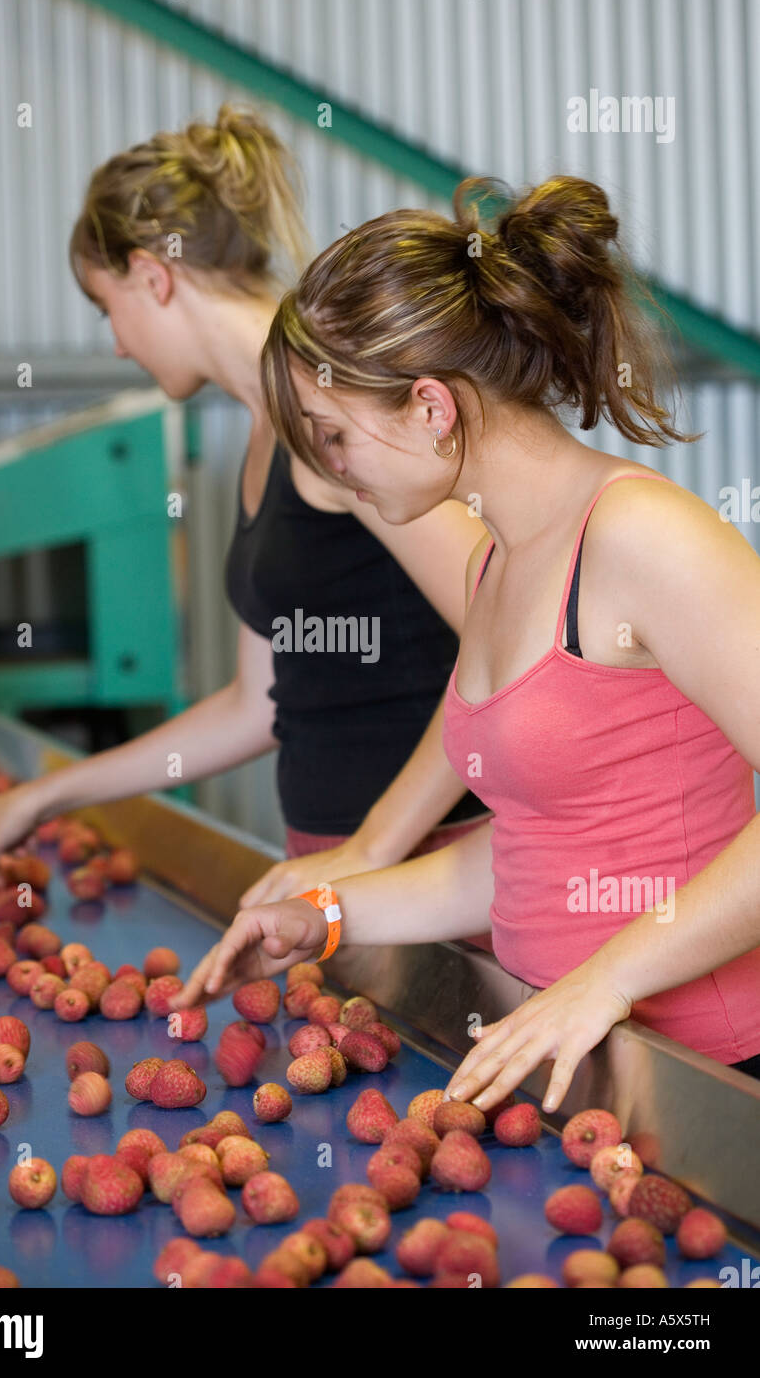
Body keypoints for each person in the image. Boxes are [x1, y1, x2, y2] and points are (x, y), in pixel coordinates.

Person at [175, 175, 760, 1107]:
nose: (328, 470)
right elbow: (532, 848)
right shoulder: (498, 563)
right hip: (569, 1069)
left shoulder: (642, 537)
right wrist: (326, 915)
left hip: (709, 1081)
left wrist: (607, 978)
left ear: (431, 408)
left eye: (333, 436)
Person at [0, 106, 491, 900]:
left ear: (153, 275)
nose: (116, 343)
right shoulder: (267, 429)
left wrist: (377, 846)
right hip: (336, 866)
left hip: (436, 868)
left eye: (109, 309)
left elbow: (505, 623)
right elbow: (255, 707)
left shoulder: (326, 405)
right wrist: (49, 791)